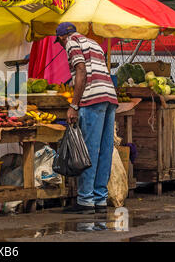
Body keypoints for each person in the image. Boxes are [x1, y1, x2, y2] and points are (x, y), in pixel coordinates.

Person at [54, 22, 118, 214]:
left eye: (59, 42)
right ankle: (100, 199)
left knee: (87, 150)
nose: (62, 46)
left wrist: (74, 105)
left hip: (92, 99)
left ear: (62, 38)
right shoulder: (93, 43)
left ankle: (85, 200)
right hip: (109, 98)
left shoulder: (72, 42)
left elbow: (81, 71)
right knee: (104, 150)